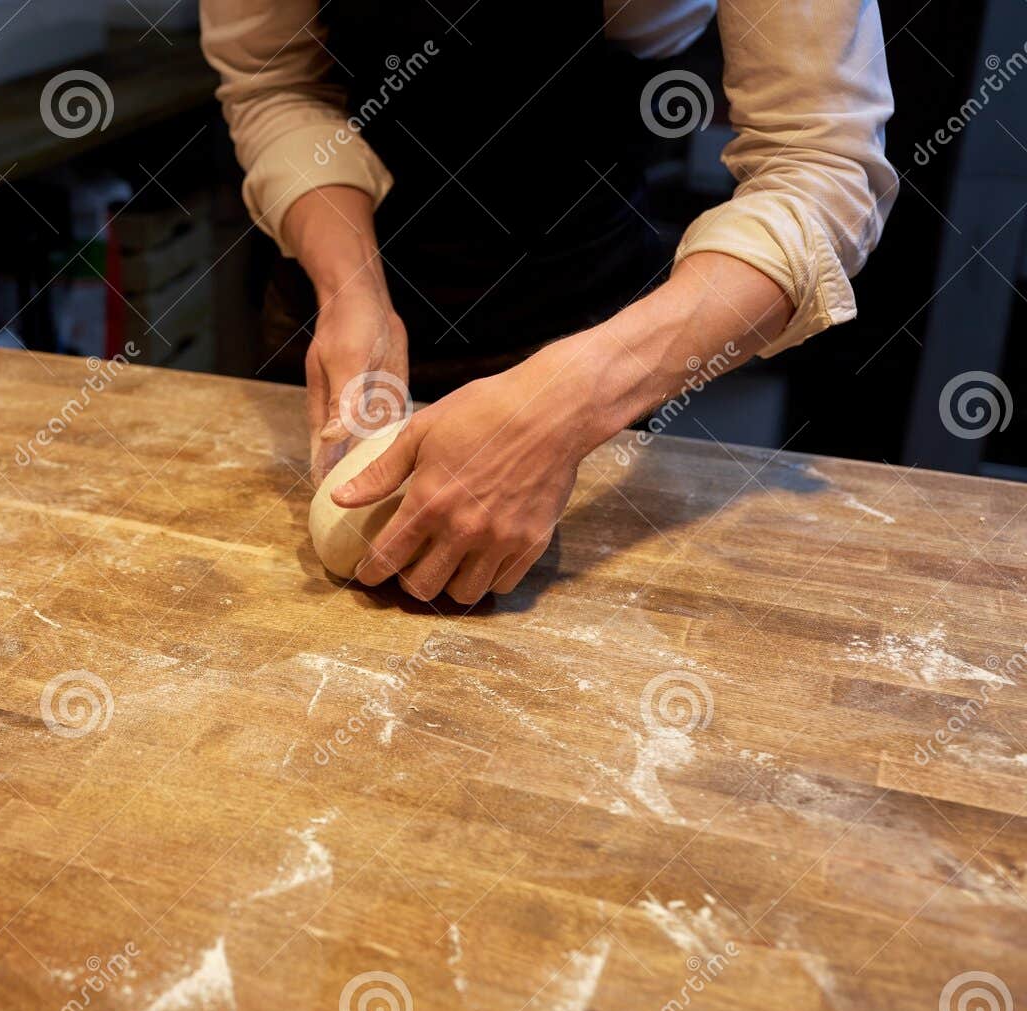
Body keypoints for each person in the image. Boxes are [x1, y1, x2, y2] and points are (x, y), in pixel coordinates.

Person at [201, 1, 896, 603]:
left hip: (592, 306)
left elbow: (820, 165)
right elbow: (275, 84)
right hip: (340, 298)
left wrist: (568, 401)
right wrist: (353, 292)